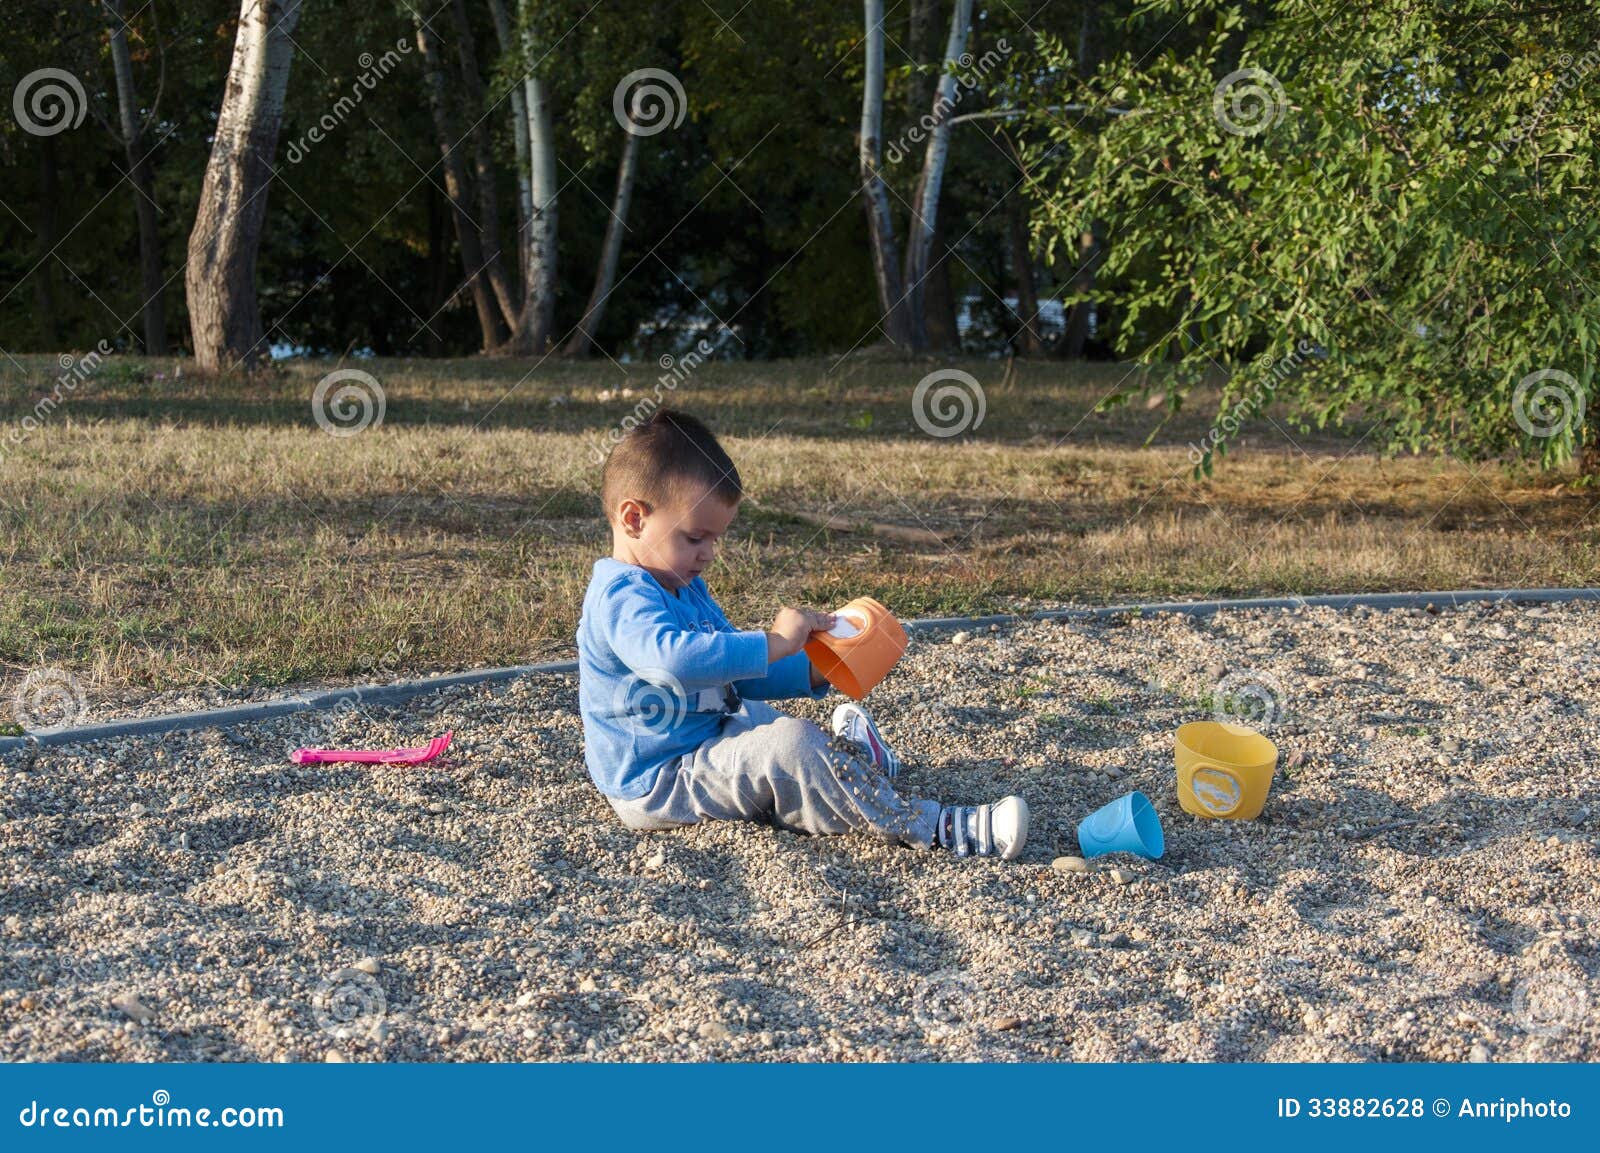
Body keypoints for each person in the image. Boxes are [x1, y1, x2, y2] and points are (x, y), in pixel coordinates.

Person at [575, 408, 1028, 859]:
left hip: (711, 736)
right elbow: (670, 660)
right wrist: (774, 641)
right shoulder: (621, 595)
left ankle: (856, 762)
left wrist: (816, 667)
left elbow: (739, 674)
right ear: (633, 519)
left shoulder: (684, 586)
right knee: (792, 745)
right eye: (696, 538)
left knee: (777, 725)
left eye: (716, 539)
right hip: (662, 781)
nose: (709, 553)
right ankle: (939, 827)